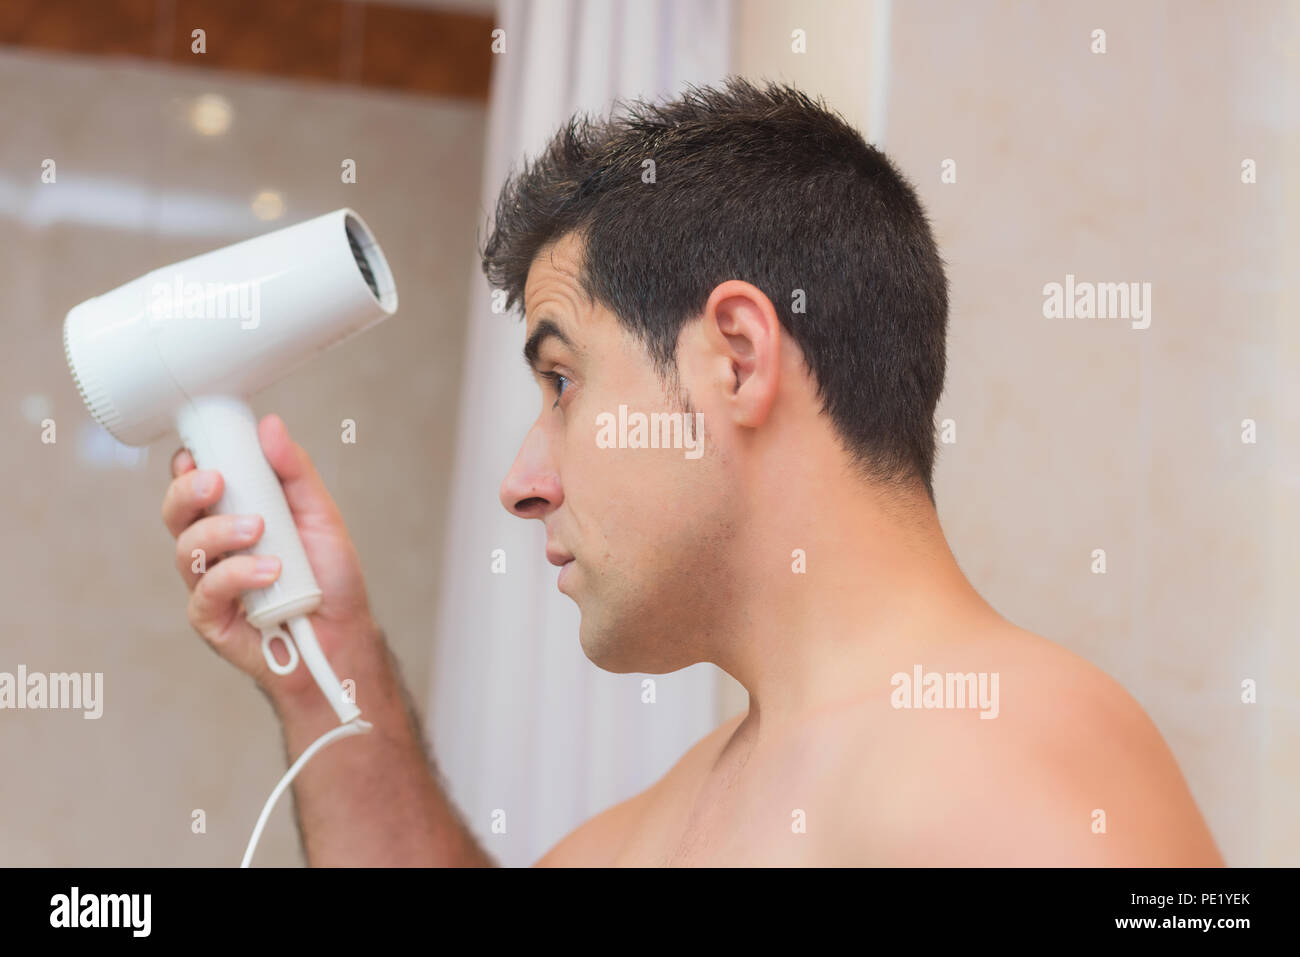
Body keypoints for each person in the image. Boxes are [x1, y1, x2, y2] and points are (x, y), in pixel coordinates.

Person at [160, 77, 1223, 866]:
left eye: (563, 380)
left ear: (738, 359)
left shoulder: (997, 771)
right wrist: (330, 675)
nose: (524, 479)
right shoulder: (700, 806)